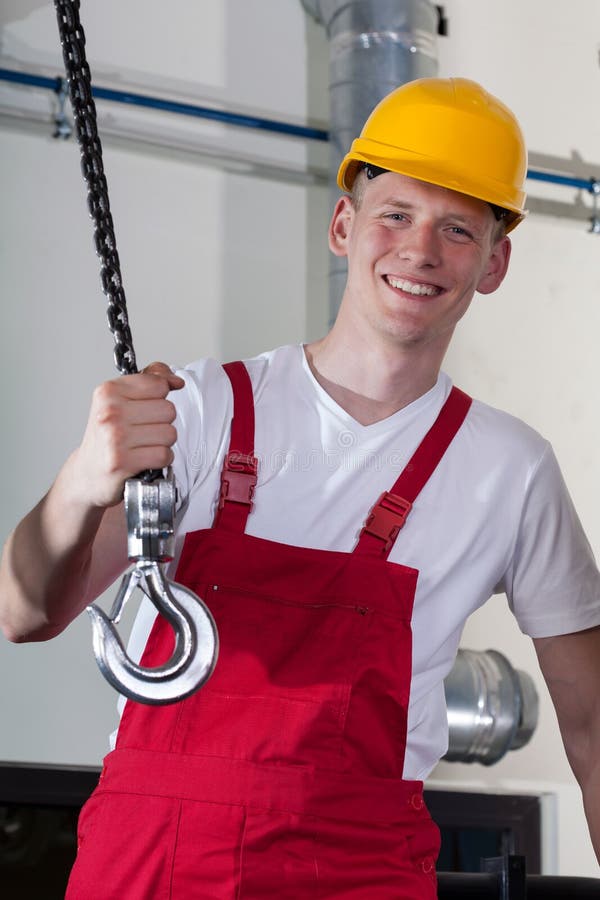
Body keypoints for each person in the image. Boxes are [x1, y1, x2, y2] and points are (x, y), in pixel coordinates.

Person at [1, 77, 600, 898]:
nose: (420, 250)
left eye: (458, 228)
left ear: (494, 263)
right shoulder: (199, 410)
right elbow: (24, 613)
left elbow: (592, 731)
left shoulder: (512, 470)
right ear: (344, 225)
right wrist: (82, 481)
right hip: (151, 865)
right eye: (396, 214)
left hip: (358, 870)